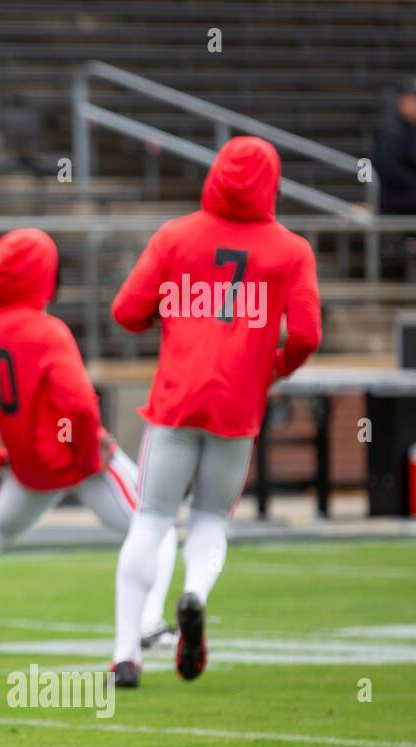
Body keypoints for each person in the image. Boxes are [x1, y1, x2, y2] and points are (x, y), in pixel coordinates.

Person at [0, 229, 178, 686]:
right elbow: (80, 404)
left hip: (29, 464)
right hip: (79, 459)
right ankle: (151, 623)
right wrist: (85, 453)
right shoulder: (46, 331)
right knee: (157, 530)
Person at [111, 136, 321, 683]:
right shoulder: (291, 248)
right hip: (238, 405)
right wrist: (268, 369)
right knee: (209, 520)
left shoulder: (176, 236)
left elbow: (127, 311)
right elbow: (306, 335)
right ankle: (195, 595)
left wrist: (177, 317)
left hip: (177, 400)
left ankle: (126, 652)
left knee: (152, 519)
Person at [374, 75, 416, 215]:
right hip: (396, 202)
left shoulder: (408, 128)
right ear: (403, 101)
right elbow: (389, 169)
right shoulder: (393, 131)